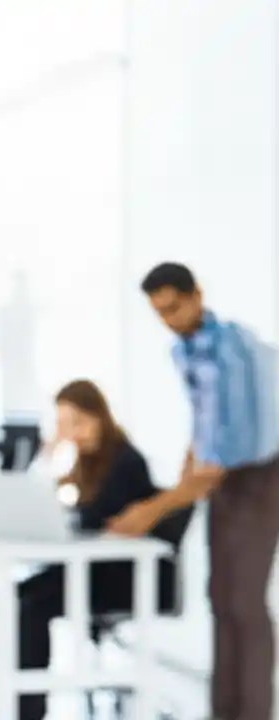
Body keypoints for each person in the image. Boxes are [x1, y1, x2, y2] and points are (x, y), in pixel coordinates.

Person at [108, 262, 279, 720]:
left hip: (260, 476)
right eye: (160, 312)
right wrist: (190, 455)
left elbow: (222, 458)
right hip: (222, 474)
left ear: (197, 295)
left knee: (244, 600)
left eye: (175, 307)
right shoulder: (185, 350)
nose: (170, 320)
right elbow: (207, 421)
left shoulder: (232, 353)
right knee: (220, 595)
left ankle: (253, 713)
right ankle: (222, 711)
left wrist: (151, 510)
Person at [18, 380, 162, 720]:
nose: (73, 433)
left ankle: (30, 710)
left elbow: (97, 518)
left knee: (32, 605)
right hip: (90, 567)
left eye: (77, 423)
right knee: (22, 594)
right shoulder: (87, 462)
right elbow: (38, 494)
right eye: (64, 424)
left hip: (122, 576)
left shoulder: (126, 461)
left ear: (99, 417)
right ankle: (24, 701)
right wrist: (50, 451)